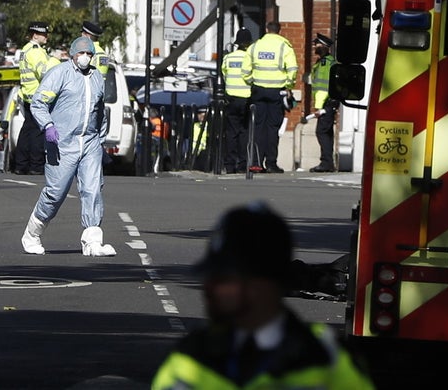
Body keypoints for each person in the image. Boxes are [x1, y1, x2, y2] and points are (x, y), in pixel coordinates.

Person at [152, 202, 375, 390]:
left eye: (224, 279)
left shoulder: (325, 357)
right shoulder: (188, 358)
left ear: (264, 284)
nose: (209, 289)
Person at [21, 35, 116, 257]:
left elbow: (100, 111)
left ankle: (92, 241)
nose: (85, 57)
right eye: (81, 53)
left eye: (89, 53)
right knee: (55, 193)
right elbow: (38, 102)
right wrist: (48, 126)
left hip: (90, 142)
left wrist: (100, 141)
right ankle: (32, 233)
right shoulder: (59, 74)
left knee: (92, 190)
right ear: (73, 53)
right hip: (62, 143)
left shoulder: (96, 78)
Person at [247, 21, 297, 173]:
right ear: (279, 31)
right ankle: (271, 163)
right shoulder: (284, 46)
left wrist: (252, 82)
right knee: (272, 128)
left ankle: (256, 163)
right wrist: (288, 85)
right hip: (276, 92)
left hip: (258, 91)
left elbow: (245, 70)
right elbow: (293, 68)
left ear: (267, 30)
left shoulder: (255, 46)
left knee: (258, 127)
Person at [15, 21, 54, 175]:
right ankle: (35, 165)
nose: (46, 37)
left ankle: (21, 164)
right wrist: (54, 61)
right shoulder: (36, 52)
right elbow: (45, 73)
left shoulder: (25, 50)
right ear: (35, 35)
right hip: (37, 97)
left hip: (27, 95)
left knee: (27, 131)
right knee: (37, 132)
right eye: (43, 34)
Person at [221, 28, 253, 174]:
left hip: (231, 98)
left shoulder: (228, 58)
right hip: (246, 99)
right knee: (244, 132)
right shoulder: (250, 58)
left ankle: (229, 165)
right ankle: (243, 163)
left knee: (231, 133)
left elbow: (224, 74)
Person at [309, 33, 337, 172]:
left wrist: (319, 108)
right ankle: (328, 163)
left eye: (317, 44)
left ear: (324, 47)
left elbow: (323, 88)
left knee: (321, 132)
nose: (315, 46)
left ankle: (326, 162)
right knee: (327, 132)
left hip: (326, 103)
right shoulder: (325, 62)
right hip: (329, 103)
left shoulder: (325, 64)